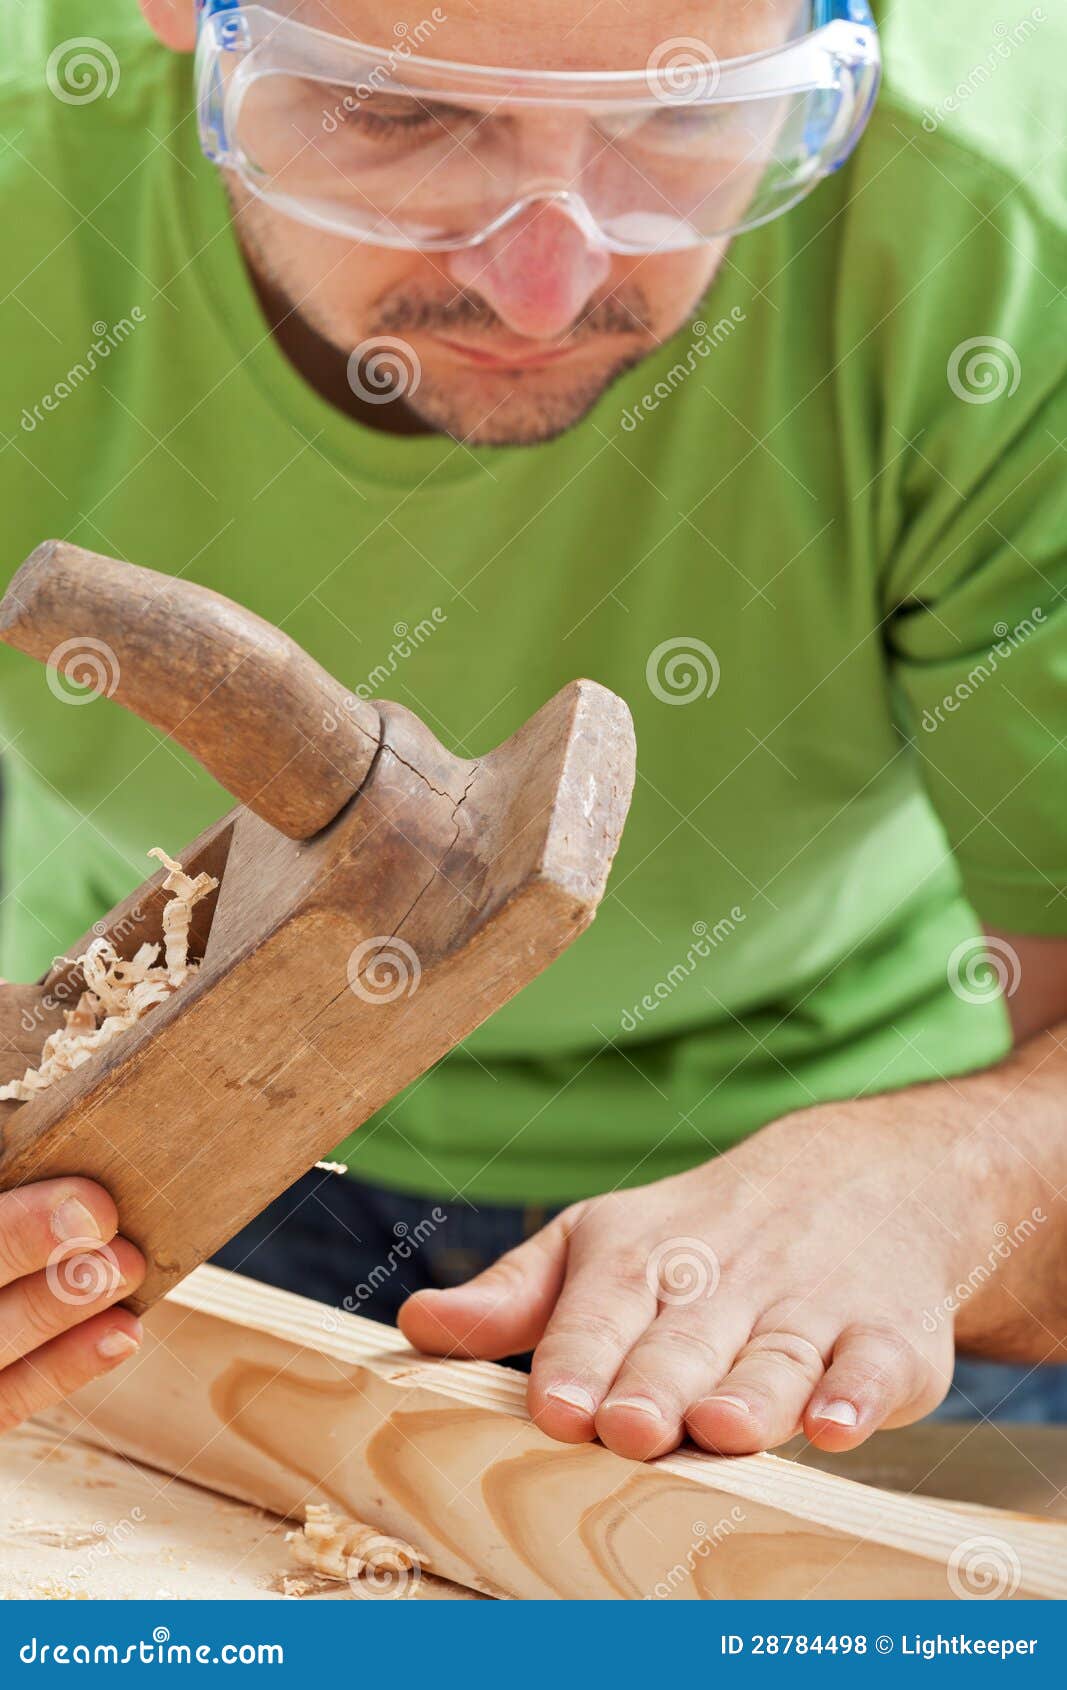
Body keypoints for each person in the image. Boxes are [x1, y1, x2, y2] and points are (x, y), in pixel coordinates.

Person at [0, 0, 1064, 1460]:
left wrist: (936, 1189)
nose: (547, 292)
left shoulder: (1011, 251)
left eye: (686, 116)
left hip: (822, 1200)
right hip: (139, 1156)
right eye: (397, 111)